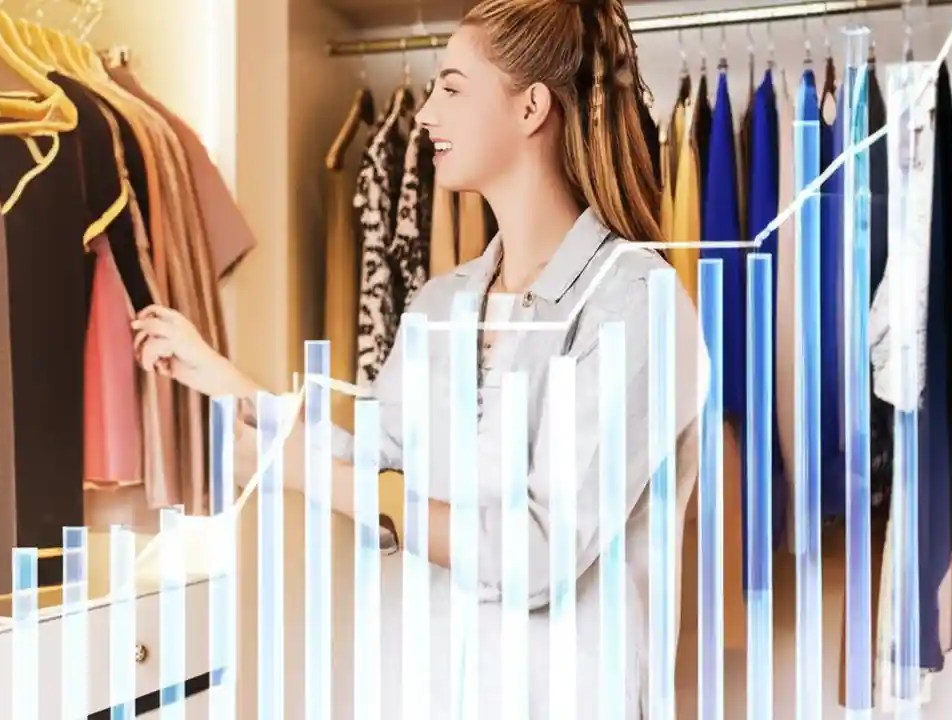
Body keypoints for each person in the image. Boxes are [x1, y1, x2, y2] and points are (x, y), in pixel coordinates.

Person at [131, 0, 707, 716]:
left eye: (452, 88)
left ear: (531, 108)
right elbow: (377, 462)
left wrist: (305, 471)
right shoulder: (444, 302)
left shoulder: (636, 305)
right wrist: (226, 381)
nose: (427, 113)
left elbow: (534, 554)